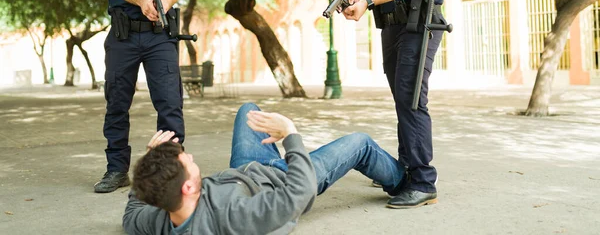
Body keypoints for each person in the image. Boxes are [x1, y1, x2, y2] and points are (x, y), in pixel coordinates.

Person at [123, 103, 404, 234]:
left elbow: (132, 214)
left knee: (248, 110)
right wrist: (291, 136)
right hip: (284, 177)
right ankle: (405, 183)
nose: (192, 156)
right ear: (188, 187)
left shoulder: (162, 218)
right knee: (360, 143)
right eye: (189, 162)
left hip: (246, 168)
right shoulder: (235, 217)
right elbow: (299, 194)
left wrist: (153, 164)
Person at [342, 0, 447, 208]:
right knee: (402, 95)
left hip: (421, 20)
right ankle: (404, 170)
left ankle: (423, 180)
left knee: (412, 96)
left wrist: (369, 1)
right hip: (392, 24)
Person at [95, 0, 186, 193]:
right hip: (124, 36)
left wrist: (165, 1)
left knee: (169, 103)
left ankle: (171, 168)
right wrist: (142, 0)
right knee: (118, 103)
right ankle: (117, 170)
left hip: (160, 35)